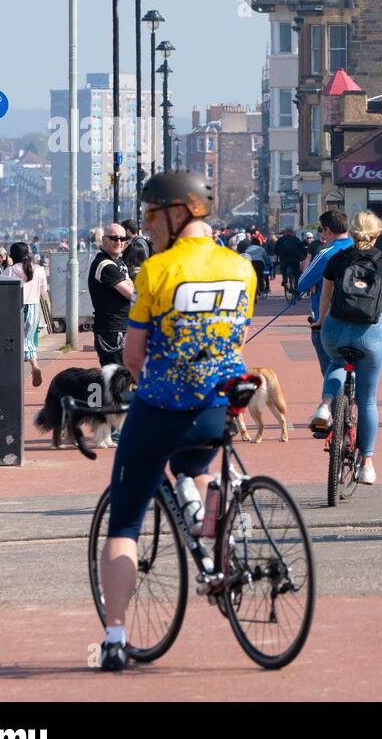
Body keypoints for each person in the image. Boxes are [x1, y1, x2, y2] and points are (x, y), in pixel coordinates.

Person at [98, 170, 256, 672]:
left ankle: (116, 638)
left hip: (163, 405)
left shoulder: (157, 271)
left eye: (150, 215)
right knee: (194, 463)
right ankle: (217, 534)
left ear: (176, 213)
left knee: (123, 520)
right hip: (219, 403)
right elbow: (235, 339)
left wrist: (146, 378)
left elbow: (135, 355)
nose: (146, 225)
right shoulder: (242, 269)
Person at [307, 211, 382, 484]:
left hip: (336, 329)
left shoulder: (337, 258)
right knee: (366, 400)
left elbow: (325, 296)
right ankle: (367, 464)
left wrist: (320, 321)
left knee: (336, 364)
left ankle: (325, 407)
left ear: (351, 232)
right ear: (377, 234)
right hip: (369, 335)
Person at [300, 210, 353, 374]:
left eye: (321, 230)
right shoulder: (361, 249)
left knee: (332, 370)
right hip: (362, 319)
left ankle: (333, 397)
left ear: (328, 231)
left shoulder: (325, 254)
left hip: (329, 319)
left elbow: (302, 284)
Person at [88, 224, 135, 367]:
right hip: (112, 331)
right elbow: (132, 294)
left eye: (122, 238)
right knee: (116, 378)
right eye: (114, 238)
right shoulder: (104, 265)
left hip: (122, 327)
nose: (119, 242)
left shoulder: (119, 263)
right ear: (104, 240)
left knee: (128, 376)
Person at [5, 241, 47, 388]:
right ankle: (34, 365)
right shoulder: (39, 269)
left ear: (12, 255)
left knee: (14, 340)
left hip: (16, 308)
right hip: (34, 308)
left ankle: (15, 374)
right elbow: (43, 291)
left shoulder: (10, 271)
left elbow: (6, 292)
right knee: (30, 339)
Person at [273, 227, 307, 295]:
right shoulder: (296, 239)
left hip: (284, 259)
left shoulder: (281, 239)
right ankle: (296, 288)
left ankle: (285, 281)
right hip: (295, 260)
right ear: (292, 232)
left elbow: (275, 250)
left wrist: (277, 258)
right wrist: (303, 258)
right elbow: (302, 250)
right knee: (297, 274)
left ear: (285, 232)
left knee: (283, 270)